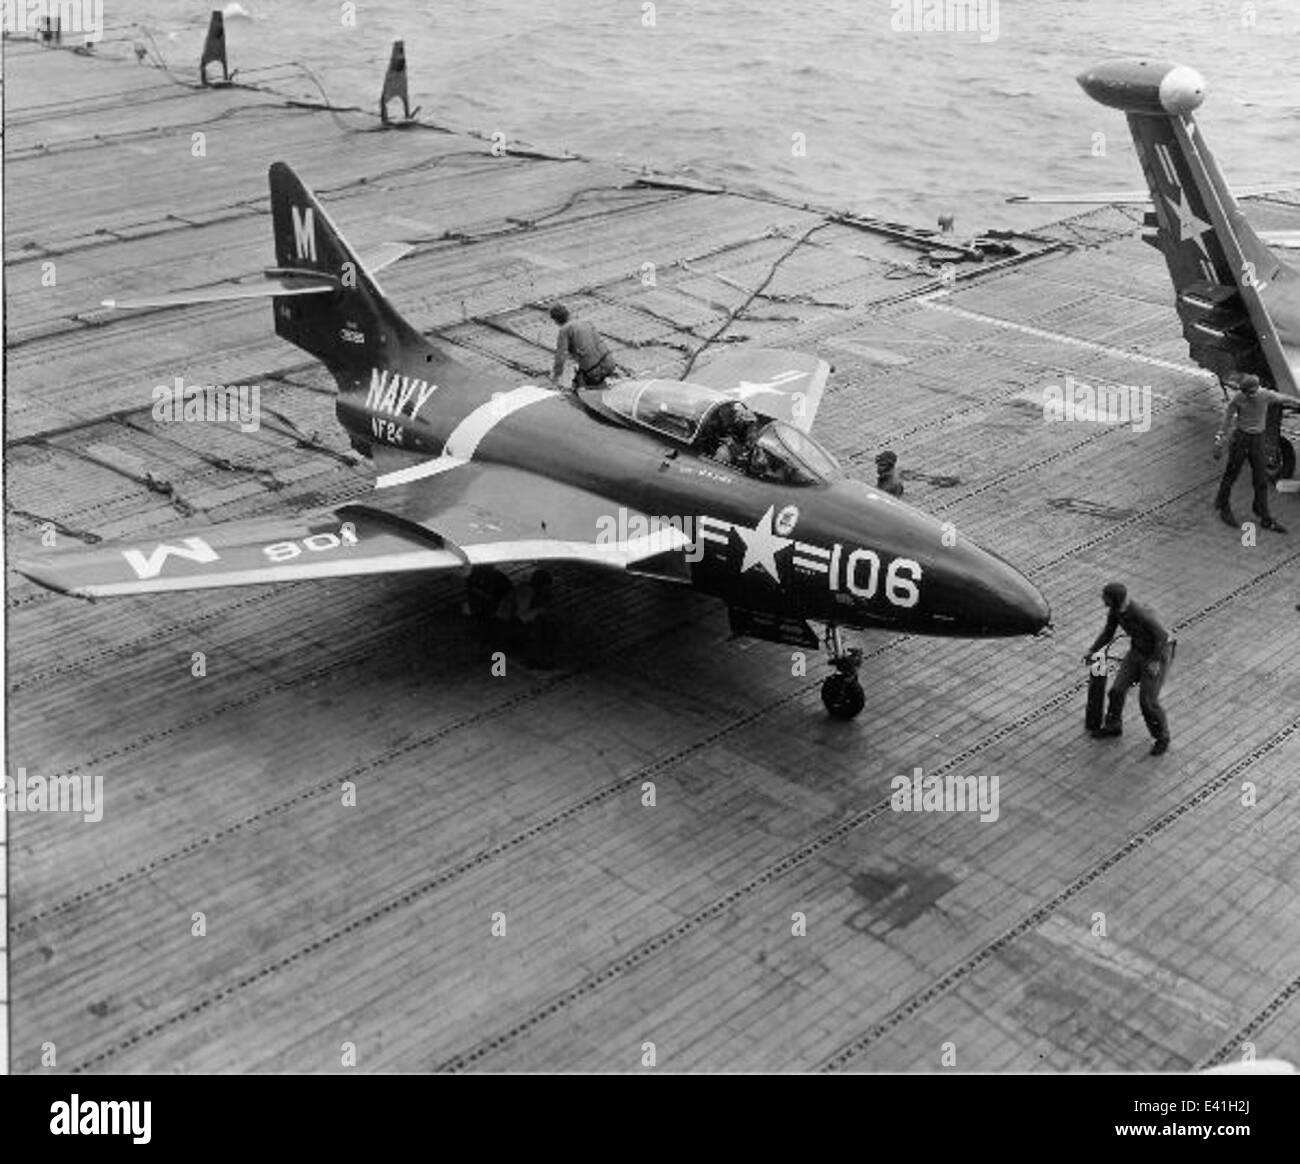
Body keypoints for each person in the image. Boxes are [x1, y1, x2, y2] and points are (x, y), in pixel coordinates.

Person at [1081, 582, 1173, 755]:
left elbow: (1162, 637)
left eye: (1105, 598)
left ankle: (1162, 737)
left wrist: (1154, 662)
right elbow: (1109, 632)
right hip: (1137, 651)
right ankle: (1113, 725)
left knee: (1148, 701)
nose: (1103, 600)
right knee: (1116, 690)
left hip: (1157, 654)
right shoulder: (1116, 611)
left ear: (1115, 599)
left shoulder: (1140, 614)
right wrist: (1093, 650)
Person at [1213, 373, 1296, 533]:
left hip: (1257, 439)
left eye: (1253, 391)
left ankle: (1263, 514)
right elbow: (1227, 418)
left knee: (1261, 478)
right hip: (1241, 439)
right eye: (1248, 393)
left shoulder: (1264, 394)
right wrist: (1220, 439)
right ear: (1243, 391)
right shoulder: (1238, 398)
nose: (1252, 395)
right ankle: (1223, 504)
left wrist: (1297, 401)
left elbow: (1284, 398)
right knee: (1231, 474)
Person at [496, 568, 557, 668]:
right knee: (536, 626)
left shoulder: (535, 592)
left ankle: (539, 656)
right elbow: (522, 616)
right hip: (504, 624)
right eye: (545, 587)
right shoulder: (526, 591)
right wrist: (540, 611)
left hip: (513, 622)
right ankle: (534, 659)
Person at [550, 304, 617, 390]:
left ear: (556, 320)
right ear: (568, 314)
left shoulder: (565, 330)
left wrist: (556, 376)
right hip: (609, 363)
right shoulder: (585, 323)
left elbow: (561, 356)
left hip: (594, 371)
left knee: (577, 388)